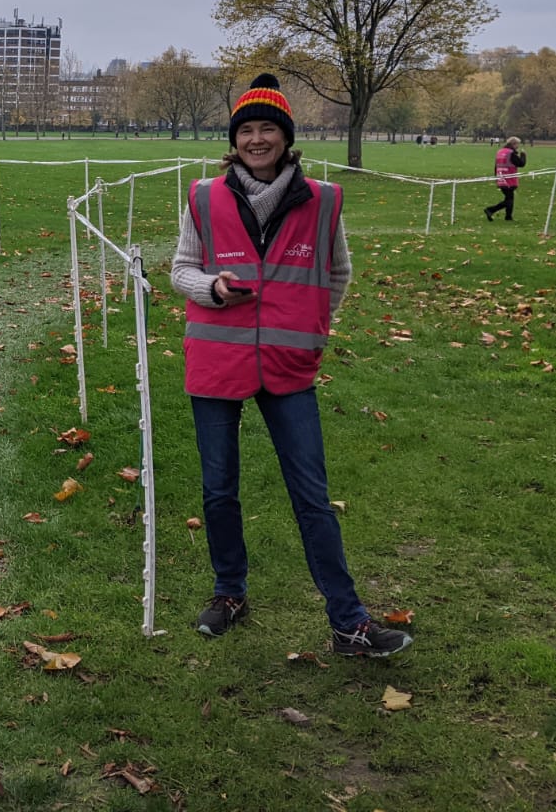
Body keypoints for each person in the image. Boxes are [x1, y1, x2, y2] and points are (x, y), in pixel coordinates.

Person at [170, 74, 412, 658]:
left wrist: (311, 328)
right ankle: (230, 593)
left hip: (289, 367)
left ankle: (348, 622)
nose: (257, 139)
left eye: (268, 129)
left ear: (286, 138)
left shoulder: (324, 201)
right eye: (247, 130)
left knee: (311, 495)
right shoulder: (204, 196)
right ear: (235, 140)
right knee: (218, 490)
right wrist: (211, 286)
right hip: (217, 363)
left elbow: (338, 274)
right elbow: (179, 269)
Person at [484, 136, 527, 221]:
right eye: (517, 144)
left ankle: (508, 217)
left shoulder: (500, 152)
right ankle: (490, 210)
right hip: (509, 178)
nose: (518, 146)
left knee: (509, 198)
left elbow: (496, 166)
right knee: (509, 200)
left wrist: (497, 177)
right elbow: (521, 163)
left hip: (501, 177)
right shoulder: (511, 153)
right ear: (513, 144)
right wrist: (523, 155)